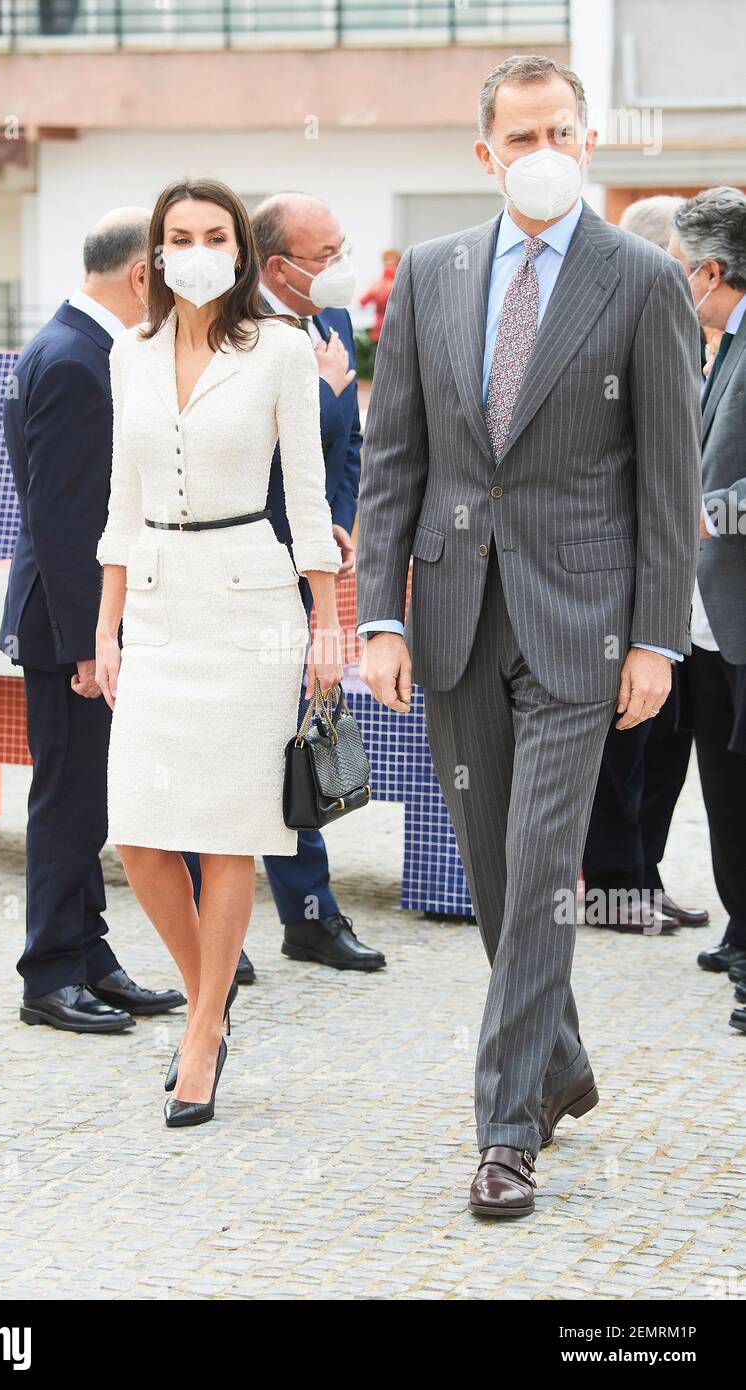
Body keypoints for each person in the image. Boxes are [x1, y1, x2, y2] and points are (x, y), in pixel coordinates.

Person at [356, 53, 701, 1215]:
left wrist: (656, 638)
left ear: (588, 139)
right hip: (451, 615)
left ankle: (503, 1128)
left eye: (561, 131)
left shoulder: (643, 280)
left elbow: (667, 478)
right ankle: (558, 1063)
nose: (541, 152)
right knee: (497, 882)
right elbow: (392, 457)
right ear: (484, 153)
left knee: (545, 869)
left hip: (582, 626)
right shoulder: (433, 276)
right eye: (520, 136)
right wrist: (380, 613)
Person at [94, 178, 344, 1128]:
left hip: (251, 601)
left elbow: (311, 501)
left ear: (239, 252)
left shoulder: (280, 350)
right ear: (155, 254)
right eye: (178, 236)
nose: (195, 248)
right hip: (156, 602)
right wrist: (106, 628)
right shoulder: (129, 353)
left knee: (229, 830)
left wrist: (325, 622)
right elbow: (119, 503)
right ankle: (213, 992)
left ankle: (203, 1033)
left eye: (213, 234)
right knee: (142, 833)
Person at [181, 192, 383, 983]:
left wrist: (338, 526)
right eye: (326, 256)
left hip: (309, 570)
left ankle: (310, 915)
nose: (341, 268)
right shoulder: (223, 329)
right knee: (222, 746)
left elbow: (347, 448)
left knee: (301, 737)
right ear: (276, 266)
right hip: (232, 572)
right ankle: (211, 933)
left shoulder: (330, 324)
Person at [0, 208, 186, 1034]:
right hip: (71, 626)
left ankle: (90, 957)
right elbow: (64, 519)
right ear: (141, 274)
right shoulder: (77, 359)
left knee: (89, 796)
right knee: (69, 800)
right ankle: (49, 973)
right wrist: (90, 643)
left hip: (80, 621)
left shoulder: (73, 346)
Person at [583, 194, 707, 932]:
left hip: (677, 580)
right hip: (620, 572)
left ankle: (644, 873)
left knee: (664, 744)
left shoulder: (693, 334)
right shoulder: (623, 320)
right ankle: (613, 886)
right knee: (620, 746)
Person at [667, 187, 746, 1031]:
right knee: (722, 786)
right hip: (712, 615)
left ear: (712, 270)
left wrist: (711, 511)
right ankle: (741, 926)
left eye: (685, 273)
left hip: (737, 600)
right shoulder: (720, 342)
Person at [360, 249, 401, 354]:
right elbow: (362, 302)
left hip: (397, 330)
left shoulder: (401, 283)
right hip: (380, 331)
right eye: (387, 263)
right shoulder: (377, 285)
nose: (389, 267)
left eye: (393, 263)